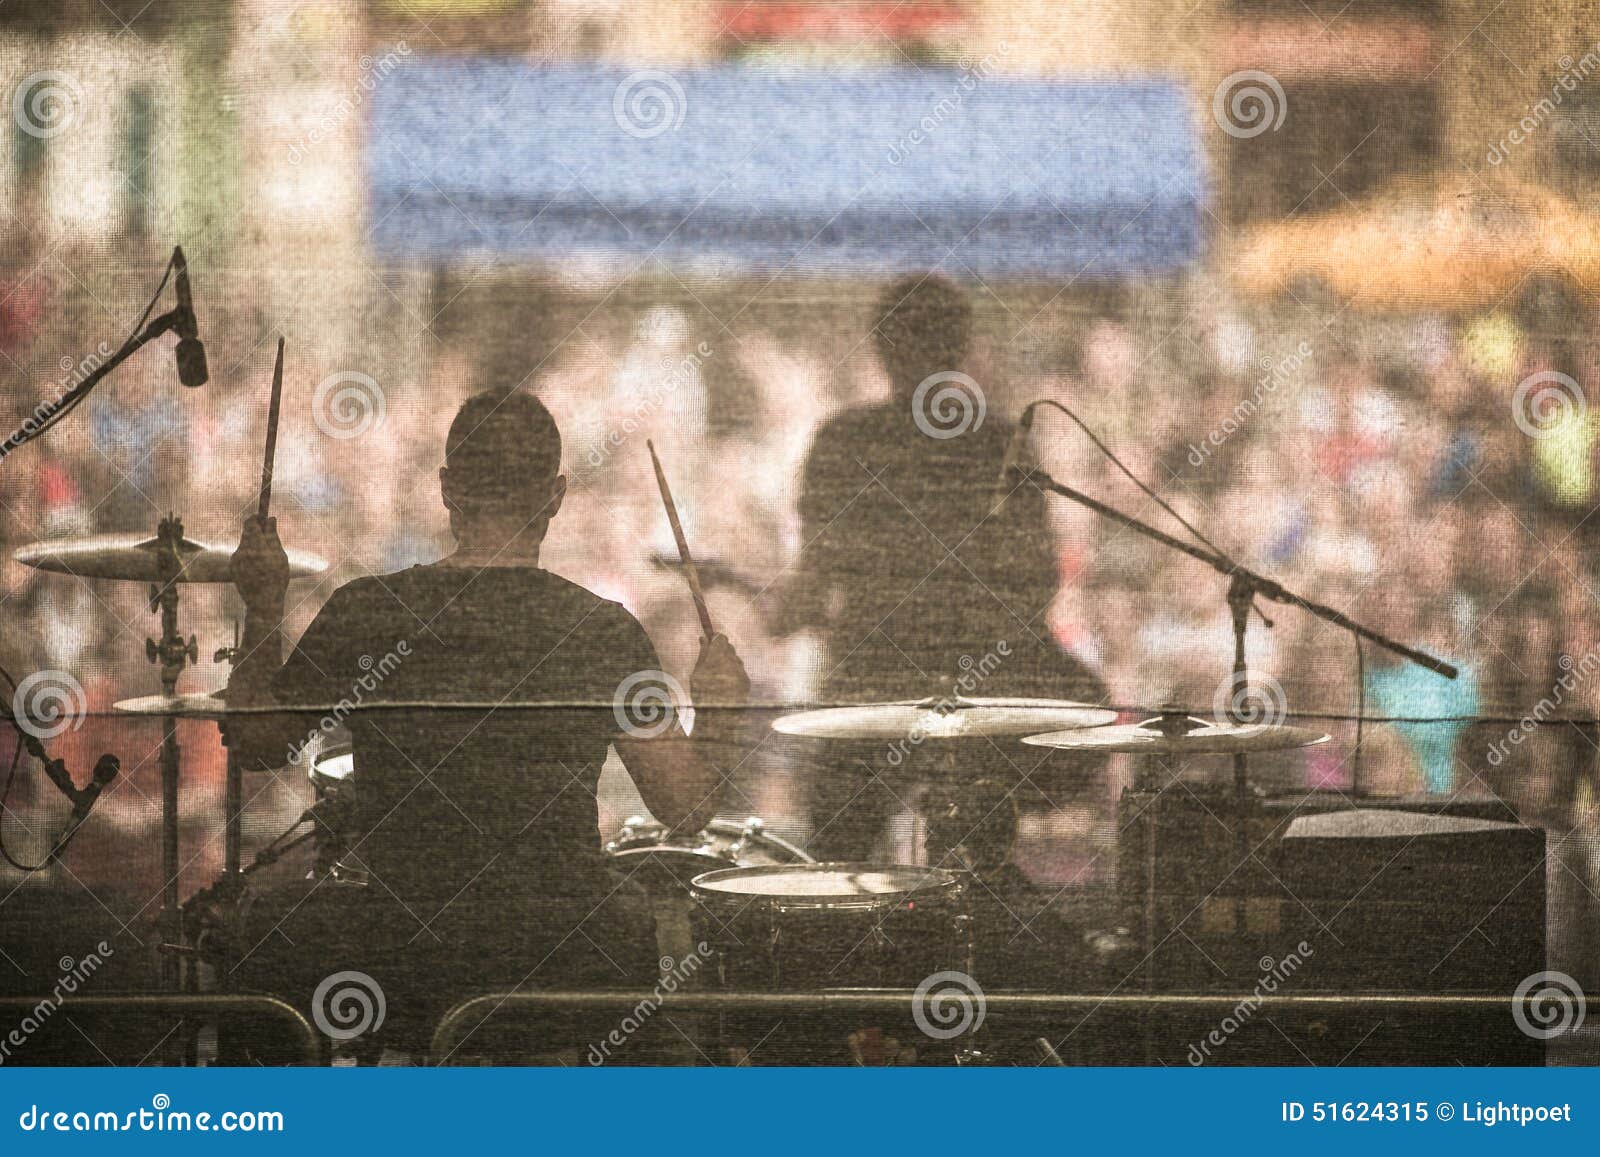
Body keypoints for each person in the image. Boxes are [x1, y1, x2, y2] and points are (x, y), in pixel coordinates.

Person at [221, 387, 749, 1059]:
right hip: (564, 953)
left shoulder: (368, 610)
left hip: (399, 956)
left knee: (265, 926)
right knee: (643, 921)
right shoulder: (603, 632)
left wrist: (263, 604)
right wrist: (723, 711)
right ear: (555, 496)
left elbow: (256, 744)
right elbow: (686, 806)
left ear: (448, 489)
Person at [771, 275, 1103, 862]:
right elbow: (1038, 578)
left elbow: (811, 586)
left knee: (838, 855)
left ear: (880, 347)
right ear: (961, 348)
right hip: (989, 689)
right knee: (976, 860)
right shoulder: (999, 441)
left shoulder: (844, 442)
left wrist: (781, 612)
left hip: (875, 684)